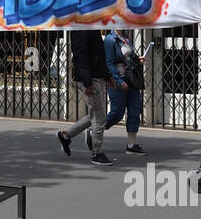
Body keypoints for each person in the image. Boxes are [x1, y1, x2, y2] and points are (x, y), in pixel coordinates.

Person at [56, 28, 114, 165]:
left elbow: (99, 55)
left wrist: (107, 75)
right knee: (99, 117)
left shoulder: (92, 26)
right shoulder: (81, 28)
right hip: (91, 79)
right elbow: (79, 57)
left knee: (94, 114)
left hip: (96, 76)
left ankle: (66, 135)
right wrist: (87, 82)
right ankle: (97, 153)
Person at [102, 29, 146, 157]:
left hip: (132, 78)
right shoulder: (110, 40)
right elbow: (109, 63)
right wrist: (119, 81)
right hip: (118, 80)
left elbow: (129, 57)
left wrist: (138, 59)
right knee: (117, 112)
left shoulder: (126, 37)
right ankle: (97, 129)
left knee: (134, 109)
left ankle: (131, 145)